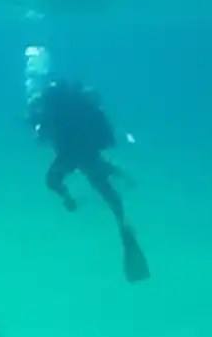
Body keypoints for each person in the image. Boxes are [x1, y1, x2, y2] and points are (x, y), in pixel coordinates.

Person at [26, 78, 150, 283]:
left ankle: (71, 202)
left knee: (54, 180)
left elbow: (42, 137)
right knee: (104, 184)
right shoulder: (76, 108)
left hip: (69, 155)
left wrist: (35, 123)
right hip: (88, 153)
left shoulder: (50, 111)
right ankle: (123, 217)